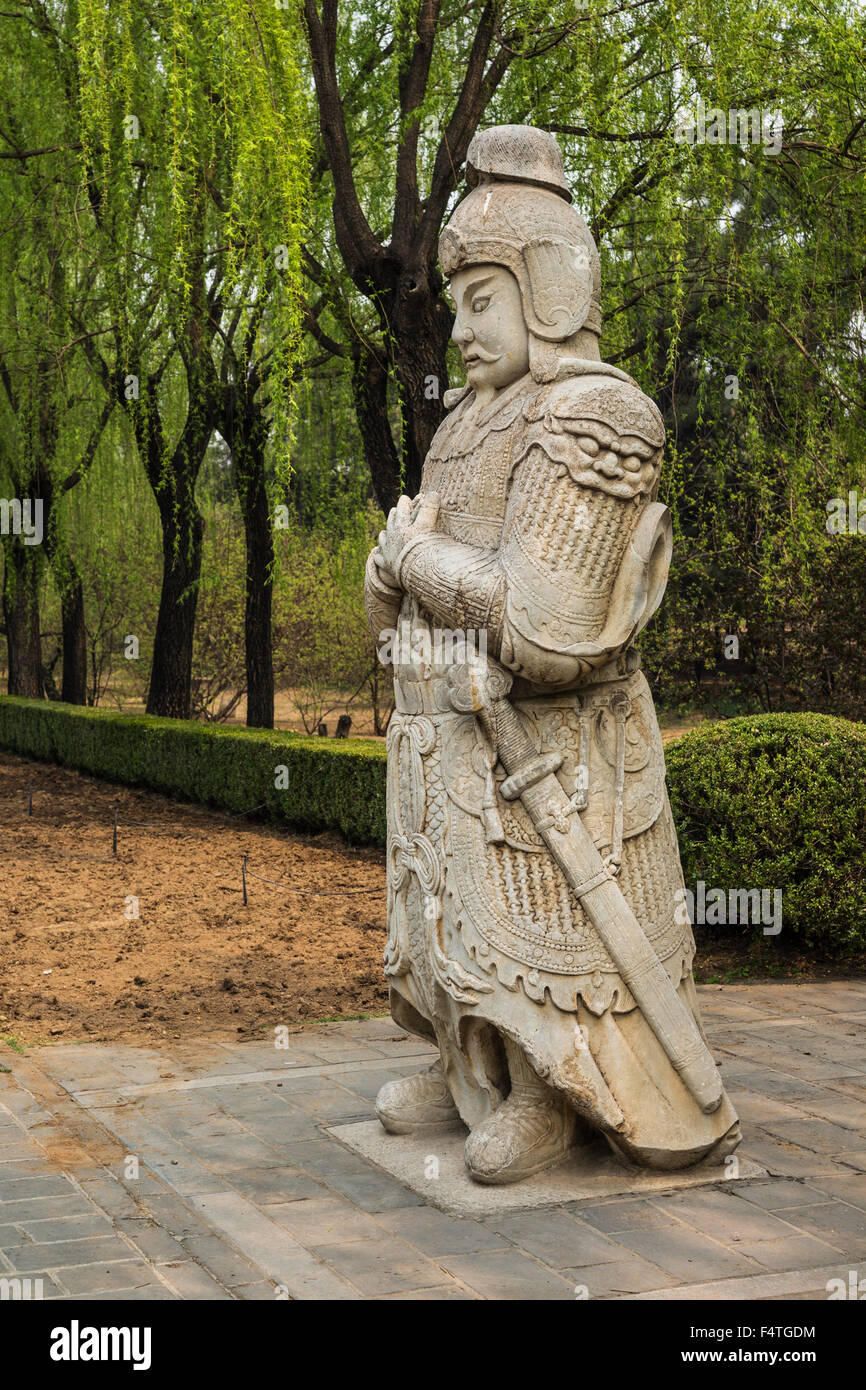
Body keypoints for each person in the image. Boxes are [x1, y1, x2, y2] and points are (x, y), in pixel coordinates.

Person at [365, 125, 740, 1184]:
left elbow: (541, 628)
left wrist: (421, 556)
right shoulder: (459, 428)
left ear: (550, 290)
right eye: (455, 305)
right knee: (448, 918)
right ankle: (465, 1063)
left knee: (545, 931)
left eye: (480, 301)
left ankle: (555, 1094)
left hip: (554, 752)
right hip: (447, 735)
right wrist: (388, 573)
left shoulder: (598, 418)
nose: (461, 330)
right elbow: (404, 602)